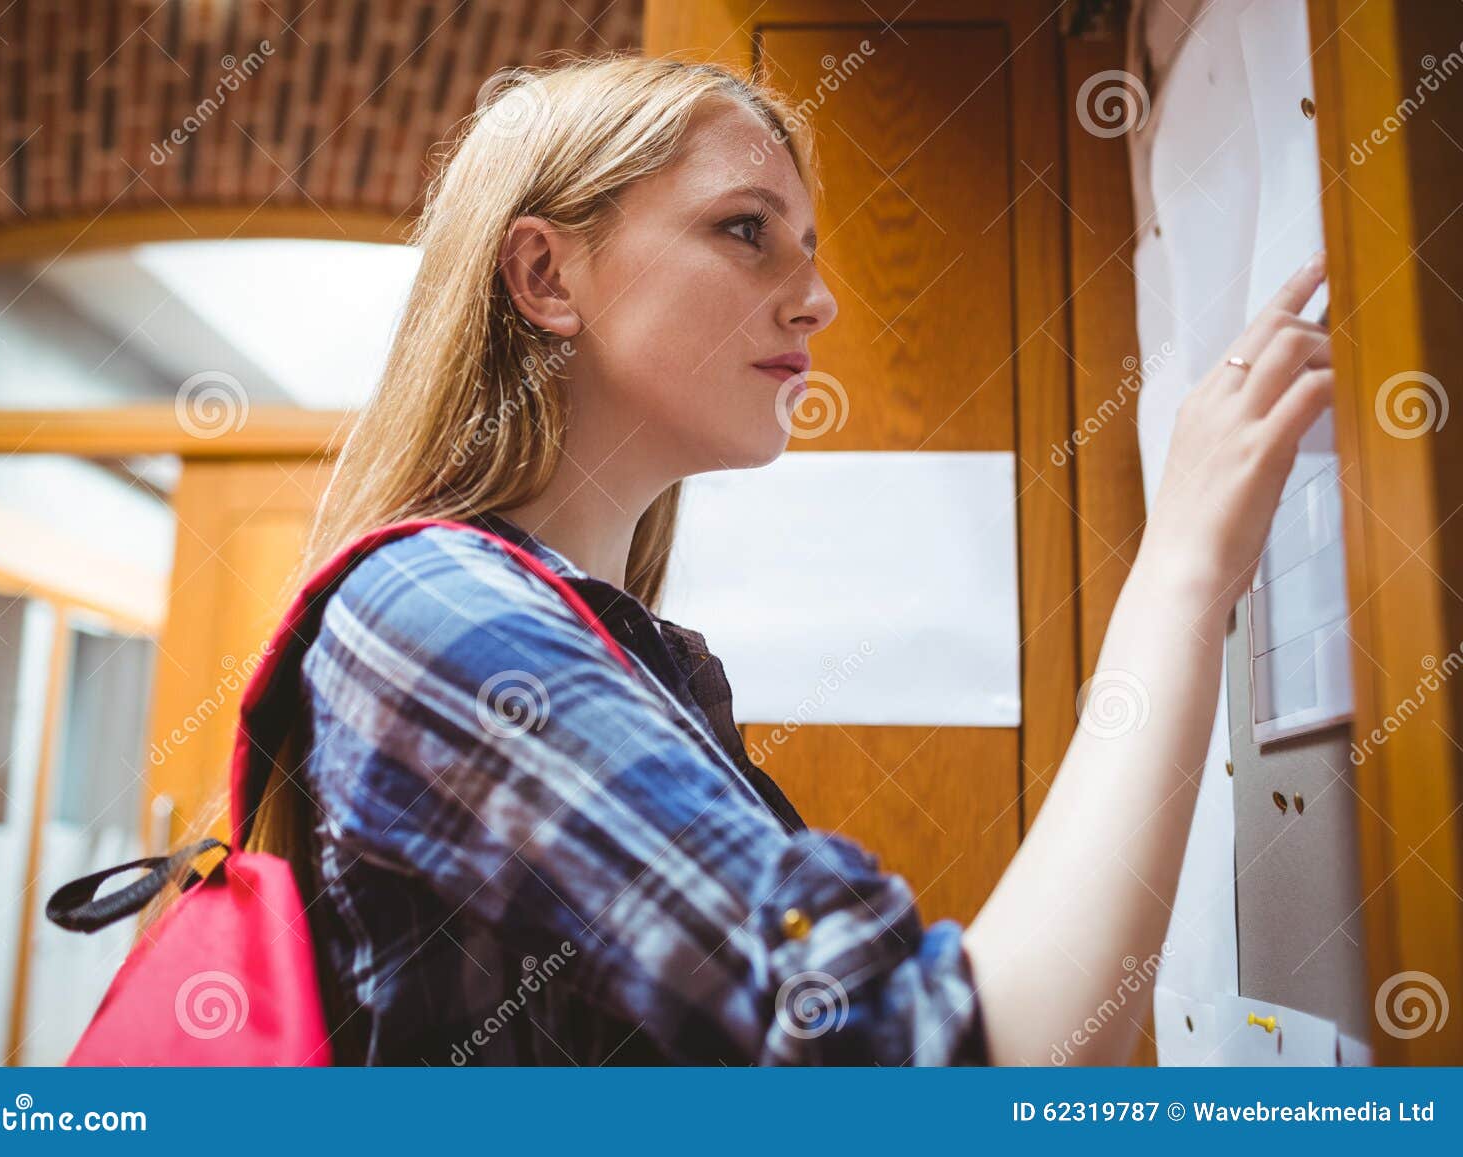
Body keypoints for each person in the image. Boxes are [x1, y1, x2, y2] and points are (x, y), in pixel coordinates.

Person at [252, 56, 1334, 1065]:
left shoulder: (600, 637)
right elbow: (935, 1066)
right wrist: (1183, 567)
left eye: (806, 244)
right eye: (744, 229)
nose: (815, 298)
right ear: (544, 273)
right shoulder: (441, 614)